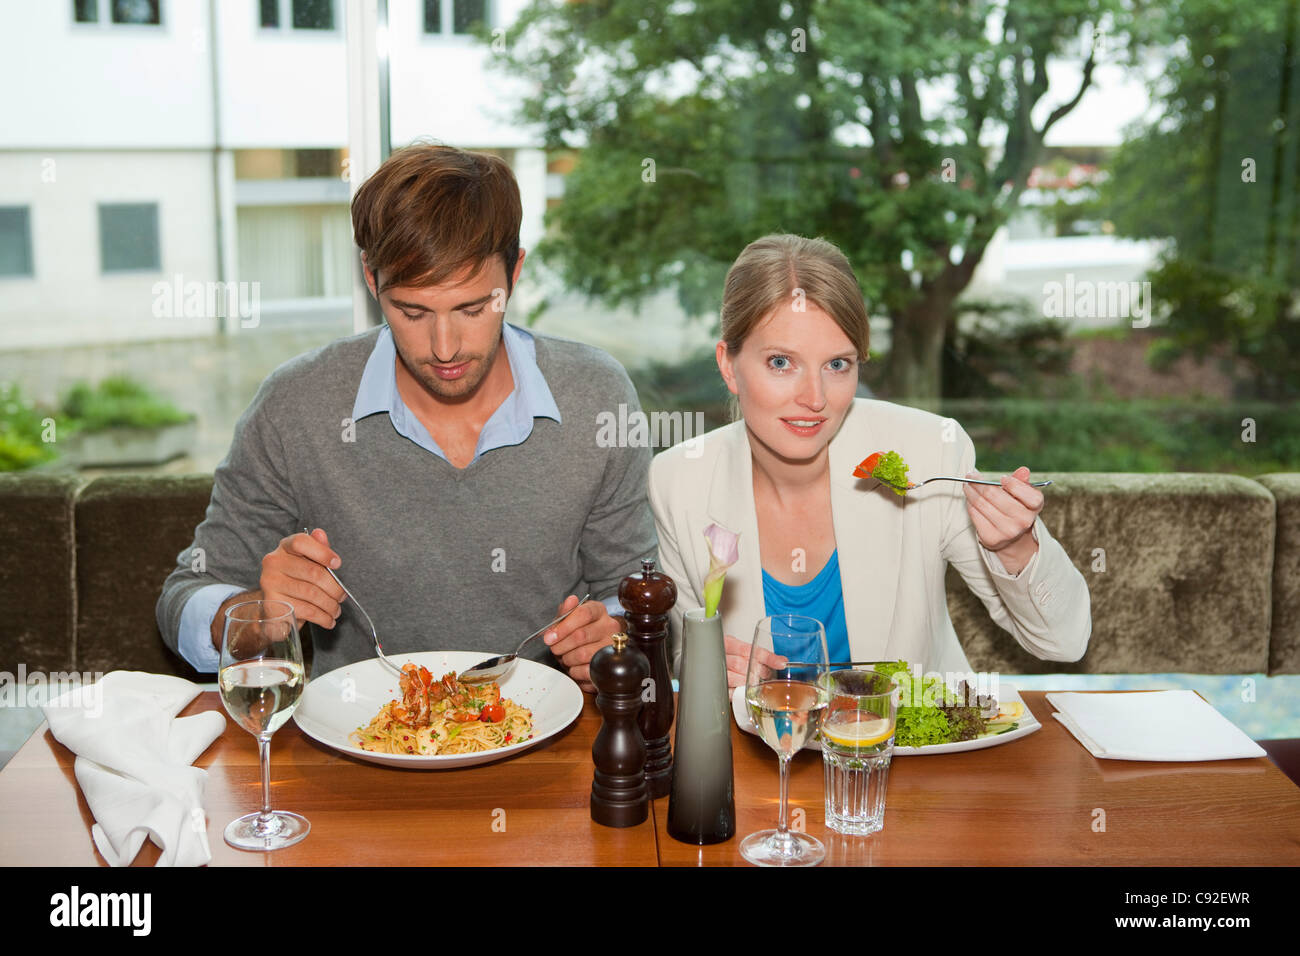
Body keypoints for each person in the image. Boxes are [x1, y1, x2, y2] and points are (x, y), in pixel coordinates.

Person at [157, 144, 657, 692]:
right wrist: (258, 611)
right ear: (372, 281)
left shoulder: (596, 396)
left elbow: (631, 593)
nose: (445, 348)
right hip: (354, 745)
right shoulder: (295, 405)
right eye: (412, 312)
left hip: (545, 742)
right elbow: (185, 597)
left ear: (514, 272)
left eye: (472, 309)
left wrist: (614, 639)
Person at [647, 234, 1090, 686]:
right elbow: (685, 651)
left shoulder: (926, 450)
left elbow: (1064, 641)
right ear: (728, 365)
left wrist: (1015, 548)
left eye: (837, 365)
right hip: (762, 752)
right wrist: (709, 666)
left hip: (908, 752)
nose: (814, 398)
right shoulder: (679, 481)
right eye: (781, 362)